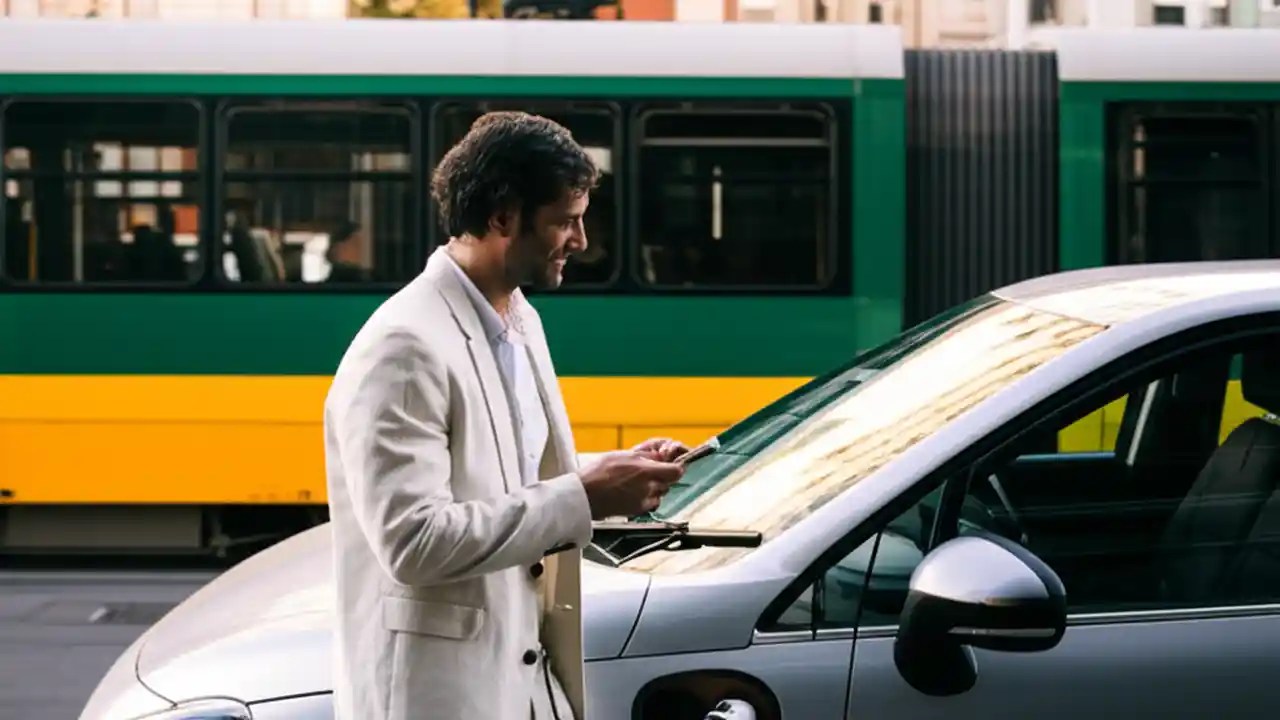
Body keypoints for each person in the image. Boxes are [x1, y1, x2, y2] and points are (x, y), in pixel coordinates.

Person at [323, 111, 689, 720]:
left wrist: (613, 473)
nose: (582, 240)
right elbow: (413, 543)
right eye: (566, 221)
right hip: (440, 697)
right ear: (502, 218)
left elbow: (502, 480)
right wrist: (583, 495)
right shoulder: (404, 345)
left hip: (520, 682)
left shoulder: (519, 318)